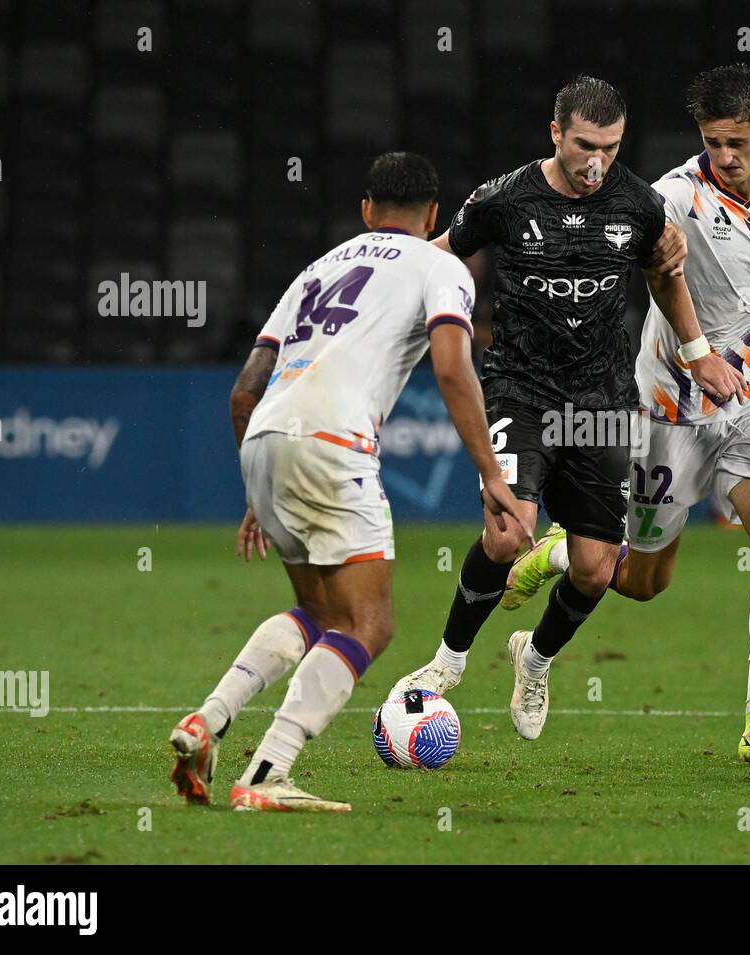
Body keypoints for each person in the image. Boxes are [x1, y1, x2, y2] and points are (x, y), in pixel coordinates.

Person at [505, 65, 750, 764]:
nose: (724, 154)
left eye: (738, 142)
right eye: (713, 141)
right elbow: (656, 278)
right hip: (664, 407)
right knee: (639, 581)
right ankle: (558, 565)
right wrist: (695, 357)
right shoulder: (673, 196)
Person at [169, 152, 530, 811]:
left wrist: (259, 485)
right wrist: (491, 472)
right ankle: (268, 772)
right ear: (432, 216)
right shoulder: (440, 265)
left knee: (320, 614)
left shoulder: (317, 269)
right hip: (335, 443)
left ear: (366, 211)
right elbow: (453, 367)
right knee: (370, 623)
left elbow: (243, 392)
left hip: (268, 437)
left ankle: (208, 721)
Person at [389, 75, 745, 740]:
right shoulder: (501, 199)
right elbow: (441, 257)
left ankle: (537, 658)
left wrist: (698, 353)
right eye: (584, 144)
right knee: (507, 531)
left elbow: (665, 279)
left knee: (596, 567)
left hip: (602, 401)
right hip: (520, 390)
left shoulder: (639, 206)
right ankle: (447, 662)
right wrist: (381, 275)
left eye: (610, 147)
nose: (595, 162)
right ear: (556, 133)